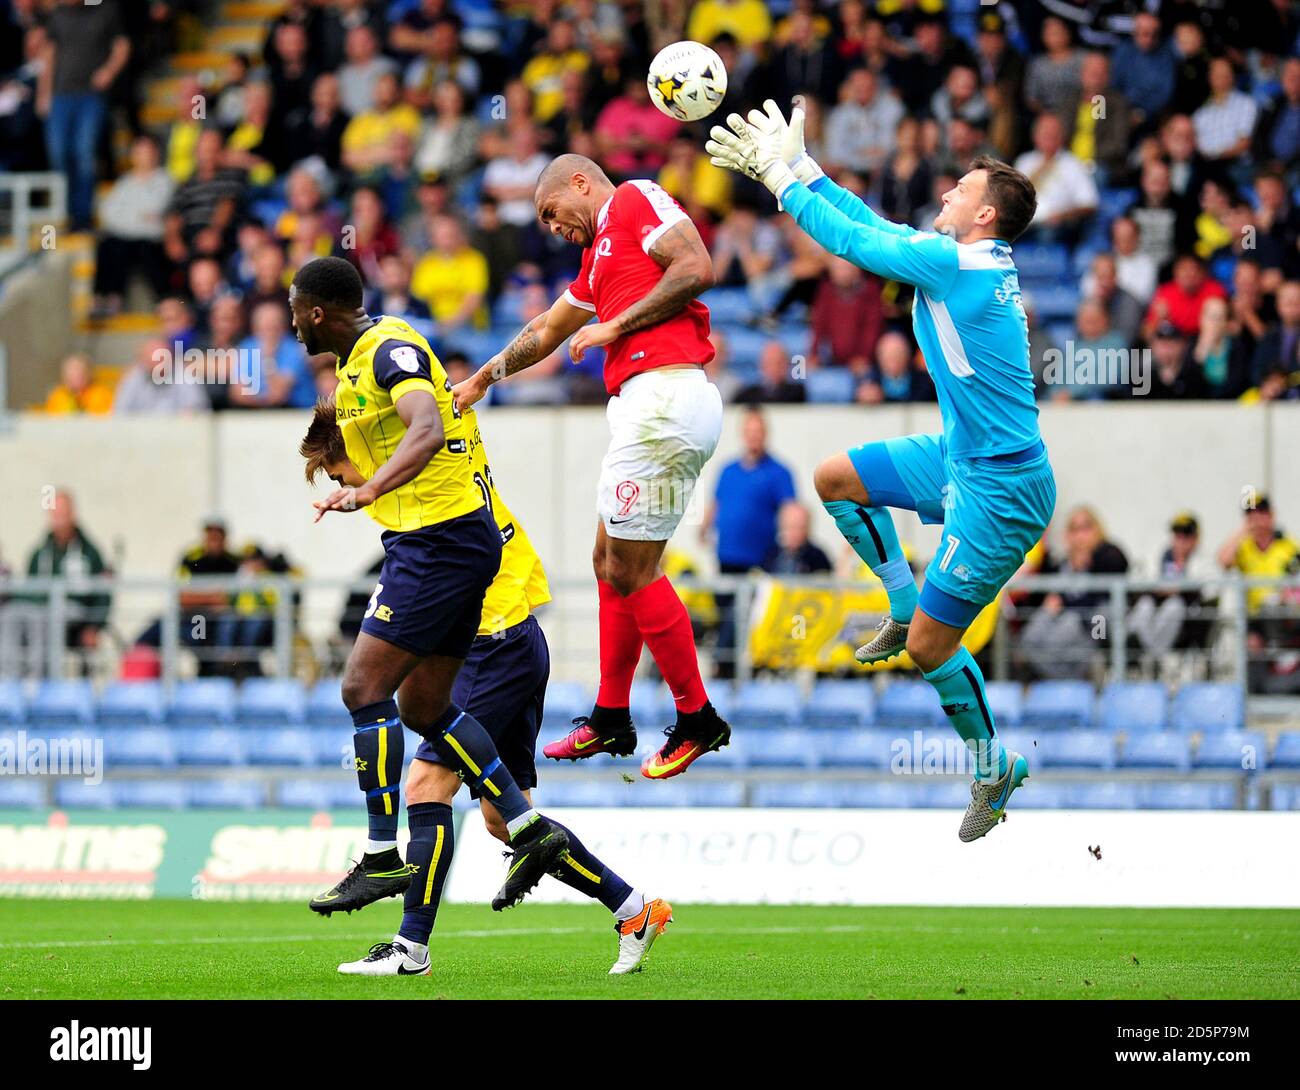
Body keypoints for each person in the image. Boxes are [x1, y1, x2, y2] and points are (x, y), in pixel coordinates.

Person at [708, 101, 1056, 842]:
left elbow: (854, 244)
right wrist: (807, 170)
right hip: (966, 458)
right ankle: (900, 602)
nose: (943, 197)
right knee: (835, 477)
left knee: (933, 648)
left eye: (957, 192)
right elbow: (873, 229)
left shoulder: (956, 263)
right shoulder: (962, 258)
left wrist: (781, 181)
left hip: (1000, 489)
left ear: (985, 213)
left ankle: (994, 766)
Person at [301, 399, 671, 976]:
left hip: (492, 643)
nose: (339, 483)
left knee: (425, 785)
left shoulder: (418, 484)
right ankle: (633, 908)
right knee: (506, 819)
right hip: (517, 638)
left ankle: (410, 949)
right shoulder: (440, 456)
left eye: (335, 470)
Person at [288, 256, 571, 973]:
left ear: (317, 310)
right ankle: (530, 824)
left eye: (295, 306)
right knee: (424, 707)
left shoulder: (391, 348)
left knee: (361, 689)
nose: (290, 318)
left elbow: (427, 423)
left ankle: (382, 858)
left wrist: (364, 489)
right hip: (444, 544)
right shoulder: (354, 373)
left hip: (442, 545)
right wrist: (350, 483)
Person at [452, 155, 730, 780]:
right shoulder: (598, 255)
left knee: (632, 571)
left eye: (551, 212)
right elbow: (548, 328)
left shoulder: (634, 199)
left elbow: (697, 266)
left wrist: (617, 325)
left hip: (663, 396)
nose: (551, 226)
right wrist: (482, 379)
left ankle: (696, 718)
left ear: (581, 183)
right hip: (645, 404)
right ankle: (610, 714)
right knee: (608, 563)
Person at [24, 490, 112, 660]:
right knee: (14, 618)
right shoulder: (41, 553)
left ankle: (45, 679)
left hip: (76, 617)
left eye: (63, 514)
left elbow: (102, 594)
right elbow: (29, 588)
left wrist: (94, 627)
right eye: (55, 515)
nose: (59, 521)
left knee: (51, 618)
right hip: (42, 614)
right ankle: (12, 677)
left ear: (73, 514)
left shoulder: (89, 553)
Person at [765, 500, 831, 575]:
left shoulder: (818, 558)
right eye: (791, 527)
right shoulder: (771, 555)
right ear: (781, 527)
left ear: (808, 529)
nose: (795, 533)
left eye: (800, 527)